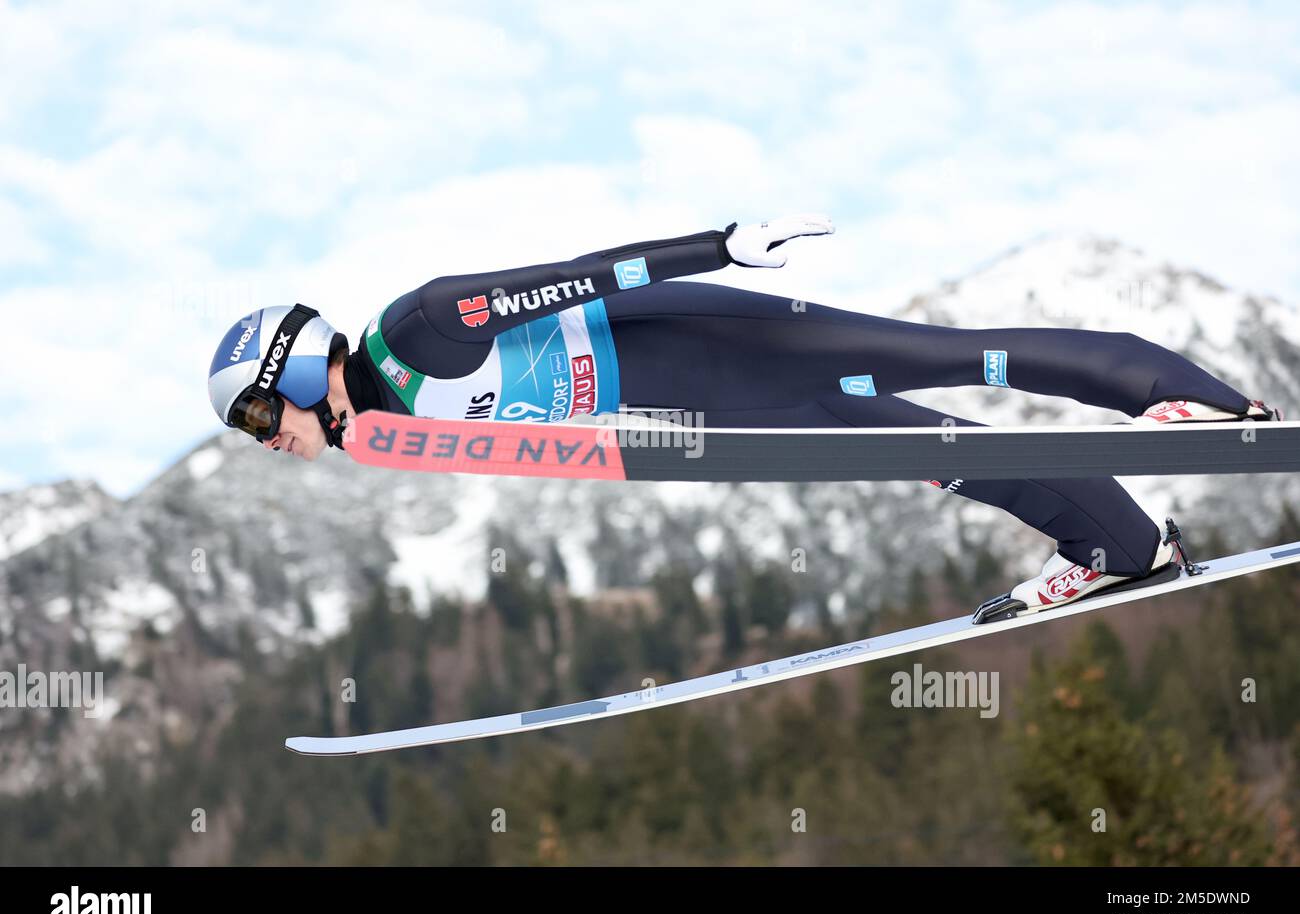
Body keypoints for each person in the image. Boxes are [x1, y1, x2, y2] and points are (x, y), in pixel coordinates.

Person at [206, 214, 1282, 618]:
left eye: (262, 414)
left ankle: (1189, 399)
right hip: (698, 406)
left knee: (949, 355)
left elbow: (574, 275)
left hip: (702, 337)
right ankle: (1122, 544)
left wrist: (717, 247)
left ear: (293, 367)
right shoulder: (388, 426)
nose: (271, 439)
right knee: (931, 453)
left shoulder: (423, 328)